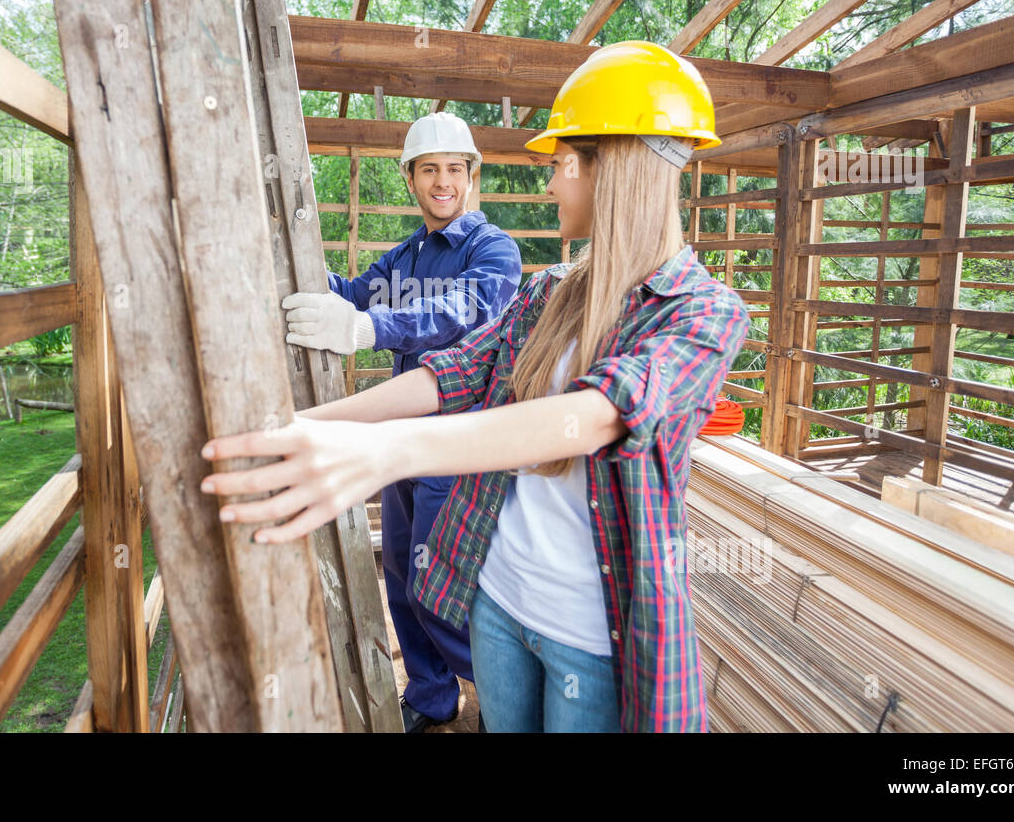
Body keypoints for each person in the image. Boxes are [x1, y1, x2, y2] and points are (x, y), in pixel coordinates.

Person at [200, 41, 749, 732]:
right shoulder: (551, 291)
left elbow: (601, 414)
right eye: (427, 170)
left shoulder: (703, 313)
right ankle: (430, 697)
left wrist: (387, 448)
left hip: (593, 635)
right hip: (502, 602)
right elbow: (458, 372)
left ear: (610, 166)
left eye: (559, 167)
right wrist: (313, 424)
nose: (549, 186)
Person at [280, 111, 521, 732]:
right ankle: (432, 697)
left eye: (454, 169)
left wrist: (367, 329)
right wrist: (293, 273)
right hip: (399, 440)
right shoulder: (407, 254)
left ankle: (502, 700)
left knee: (443, 583)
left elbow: (464, 311)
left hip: (459, 441)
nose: (442, 181)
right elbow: (354, 293)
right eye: (429, 170)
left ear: (471, 176)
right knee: (404, 578)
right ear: (410, 178)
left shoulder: (491, 249)